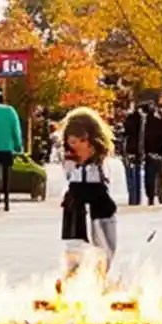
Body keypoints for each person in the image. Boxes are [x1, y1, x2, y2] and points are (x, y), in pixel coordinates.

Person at [58, 107, 120, 288]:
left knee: (105, 249)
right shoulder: (70, 161)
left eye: (83, 141)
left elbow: (107, 179)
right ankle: (71, 283)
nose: (78, 146)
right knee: (75, 251)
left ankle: (100, 283)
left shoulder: (102, 161)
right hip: (76, 207)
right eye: (73, 142)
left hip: (100, 205)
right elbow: (70, 174)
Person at [142, 100, 162, 205]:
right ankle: (161, 195)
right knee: (159, 174)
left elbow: (144, 138)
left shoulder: (147, 122)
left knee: (150, 176)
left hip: (150, 152)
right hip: (160, 152)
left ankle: (151, 197)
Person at [121, 103, 145, 206]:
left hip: (131, 149)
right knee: (137, 173)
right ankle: (137, 198)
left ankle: (133, 198)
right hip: (140, 150)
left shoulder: (131, 119)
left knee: (131, 175)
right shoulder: (143, 120)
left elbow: (126, 132)